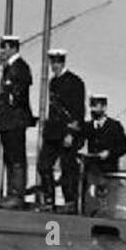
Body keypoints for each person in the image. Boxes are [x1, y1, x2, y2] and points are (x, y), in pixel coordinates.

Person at [37, 48, 86, 211]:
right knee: (43, 165)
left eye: (57, 63)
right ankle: (49, 200)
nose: (54, 66)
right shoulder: (53, 82)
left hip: (67, 133)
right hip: (53, 132)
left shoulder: (75, 82)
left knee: (67, 168)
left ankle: (69, 202)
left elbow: (78, 111)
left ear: (62, 62)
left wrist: (71, 134)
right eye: (53, 63)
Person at [0, 35, 34, 206]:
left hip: (15, 120)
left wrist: (12, 102)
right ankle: (12, 193)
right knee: (10, 157)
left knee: (17, 158)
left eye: (5, 48)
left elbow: (19, 95)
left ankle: (17, 195)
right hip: (8, 120)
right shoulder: (9, 68)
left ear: (13, 48)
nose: (2, 51)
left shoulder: (20, 67)